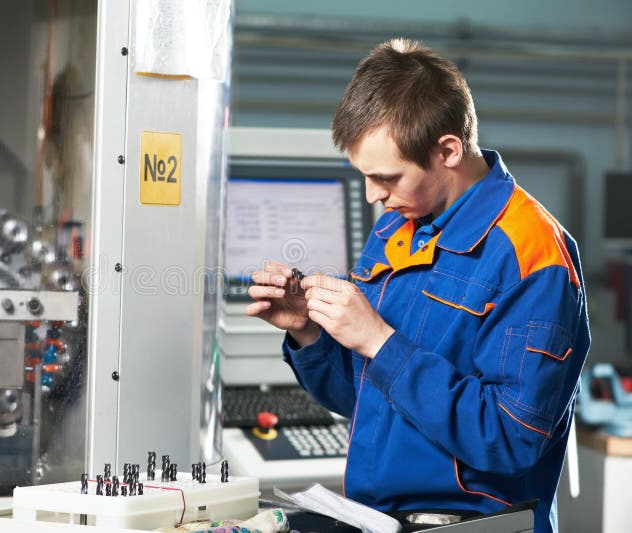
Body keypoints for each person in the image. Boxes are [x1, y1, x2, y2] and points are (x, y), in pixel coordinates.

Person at [246, 38, 589, 533]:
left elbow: (510, 439)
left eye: (386, 177)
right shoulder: (396, 230)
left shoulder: (533, 254)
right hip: (375, 518)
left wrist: (379, 342)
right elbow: (364, 398)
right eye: (363, 176)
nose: (372, 196)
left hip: (473, 525)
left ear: (448, 150)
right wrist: (309, 334)